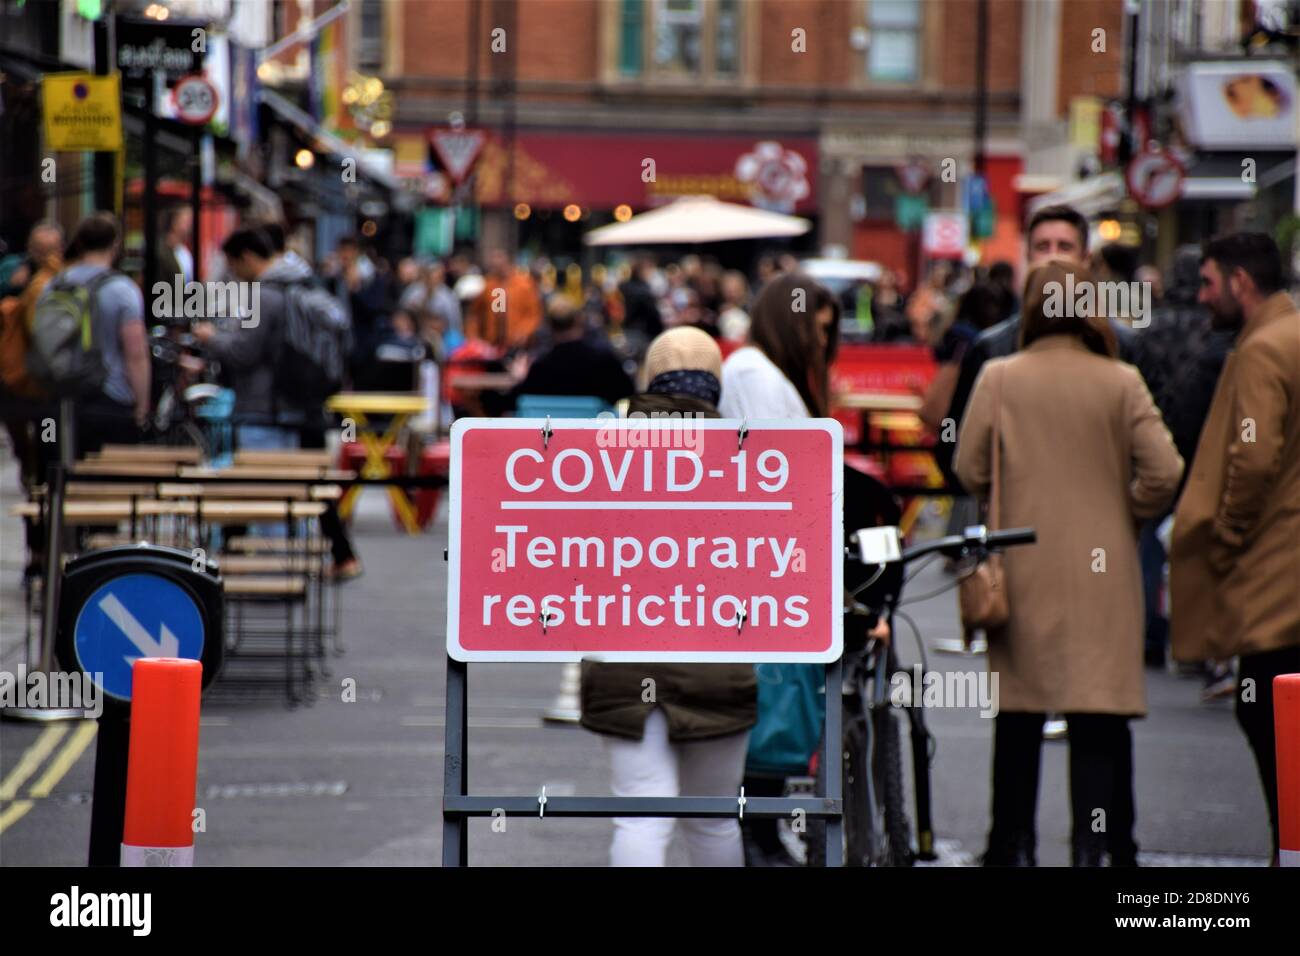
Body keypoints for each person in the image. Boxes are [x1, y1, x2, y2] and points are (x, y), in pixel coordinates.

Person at [954, 260, 1182, 867]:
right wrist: (1125, 513)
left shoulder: (1000, 377)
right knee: (1098, 719)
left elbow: (968, 468)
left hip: (1022, 568)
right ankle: (1094, 848)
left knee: (1020, 718)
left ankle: (1014, 845)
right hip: (1103, 576)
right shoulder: (1121, 381)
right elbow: (1165, 470)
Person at [580, 326, 756, 867]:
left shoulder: (596, 452)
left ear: (647, 377)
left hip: (622, 655)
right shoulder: (754, 457)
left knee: (640, 814)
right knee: (715, 818)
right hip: (718, 657)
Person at [1169, 232, 1300, 866]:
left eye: (1210, 282)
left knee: (1265, 706)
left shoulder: (1261, 350)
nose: (1202, 296)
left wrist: (1227, 531)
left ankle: (1289, 846)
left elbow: (1252, 456)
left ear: (1241, 283)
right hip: (1286, 552)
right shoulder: (1290, 334)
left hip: (1274, 561)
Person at [719, 273, 839, 865]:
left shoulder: (756, 372)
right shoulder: (757, 376)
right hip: (762, 562)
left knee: (771, 702)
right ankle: (757, 831)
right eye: (817, 332)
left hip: (766, 559)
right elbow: (778, 470)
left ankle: (759, 828)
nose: (822, 345)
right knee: (770, 702)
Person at [42, 213, 150, 454]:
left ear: (79, 243)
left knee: (63, 478)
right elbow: (136, 353)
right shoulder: (123, 290)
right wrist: (141, 407)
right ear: (115, 244)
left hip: (62, 400)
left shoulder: (54, 285)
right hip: (112, 398)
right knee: (109, 486)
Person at [194, 225, 302, 450]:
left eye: (233, 266)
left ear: (247, 258)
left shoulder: (264, 295)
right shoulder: (295, 284)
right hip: (290, 405)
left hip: (261, 409)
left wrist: (212, 337)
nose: (234, 274)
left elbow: (243, 352)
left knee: (261, 480)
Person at [501, 298, 634, 410]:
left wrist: (521, 379)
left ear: (549, 326)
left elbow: (510, 402)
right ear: (579, 321)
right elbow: (628, 393)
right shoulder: (603, 361)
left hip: (551, 438)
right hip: (596, 436)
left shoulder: (540, 368)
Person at [465, 249, 542, 352]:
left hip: (518, 345)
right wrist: (473, 338)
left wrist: (524, 331)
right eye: (493, 259)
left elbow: (534, 315)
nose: (496, 262)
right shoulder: (488, 285)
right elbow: (474, 315)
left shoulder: (525, 284)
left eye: (499, 258)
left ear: (508, 261)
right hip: (491, 346)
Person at [158, 206, 194, 285]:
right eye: (186, 222)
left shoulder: (184, 252)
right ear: (174, 221)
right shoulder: (161, 250)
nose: (189, 227)